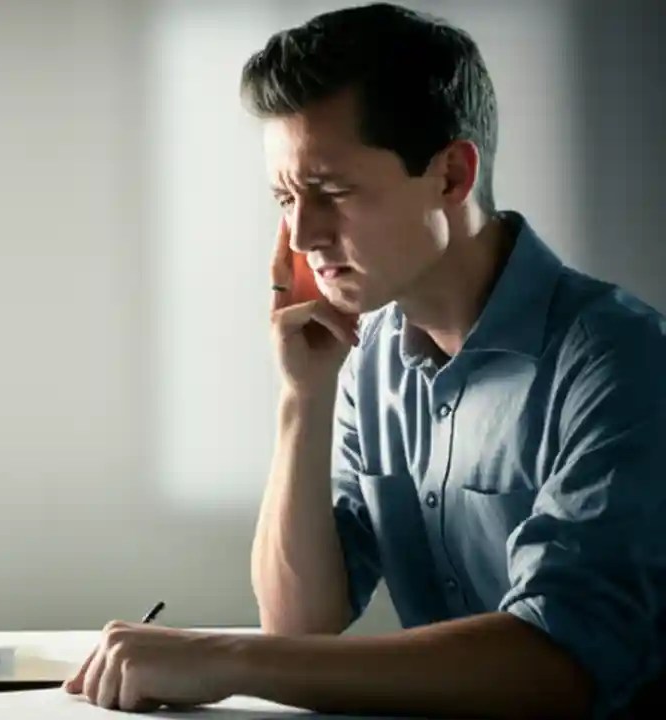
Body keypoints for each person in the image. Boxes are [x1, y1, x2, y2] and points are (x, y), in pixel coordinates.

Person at [63, 3, 666, 718]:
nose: (302, 234)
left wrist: (223, 656)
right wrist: (303, 397)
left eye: (332, 192)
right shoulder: (372, 360)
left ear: (450, 176)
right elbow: (299, 623)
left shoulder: (620, 362)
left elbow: (560, 662)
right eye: (285, 197)